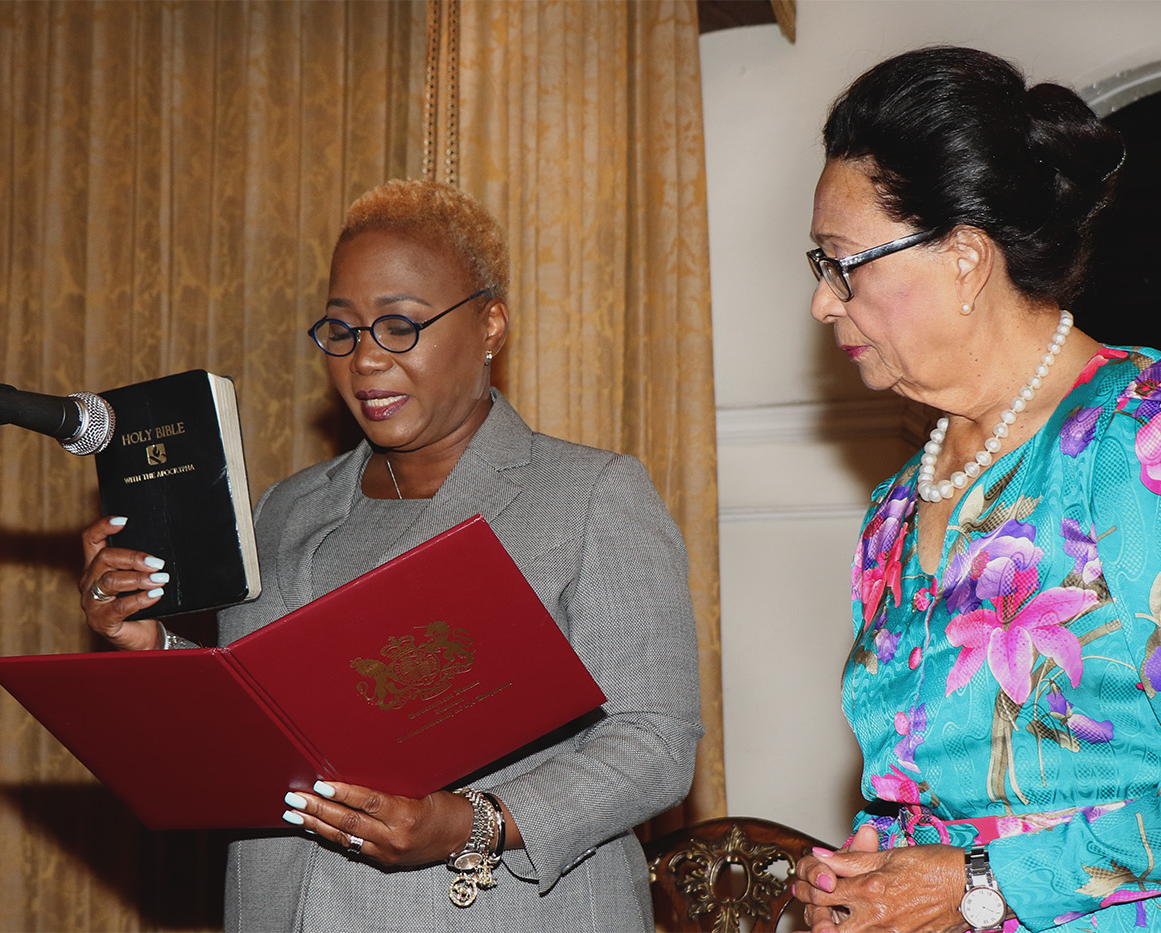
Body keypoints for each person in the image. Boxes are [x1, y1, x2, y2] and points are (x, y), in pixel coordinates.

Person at [791, 46, 1161, 932]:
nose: (822, 302)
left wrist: (981, 879)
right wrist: (865, 887)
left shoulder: (1151, 427)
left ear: (965, 258)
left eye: (843, 263)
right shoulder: (894, 515)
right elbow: (921, 805)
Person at [77, 178, 703, 931]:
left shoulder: (590, 493)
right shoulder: (284, 508)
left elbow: (655, 741)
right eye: (342, 331)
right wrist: (149, 646)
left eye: (400, 325)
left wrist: (471, 822)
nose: (366, 360)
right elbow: (255, 721)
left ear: (491, 325)